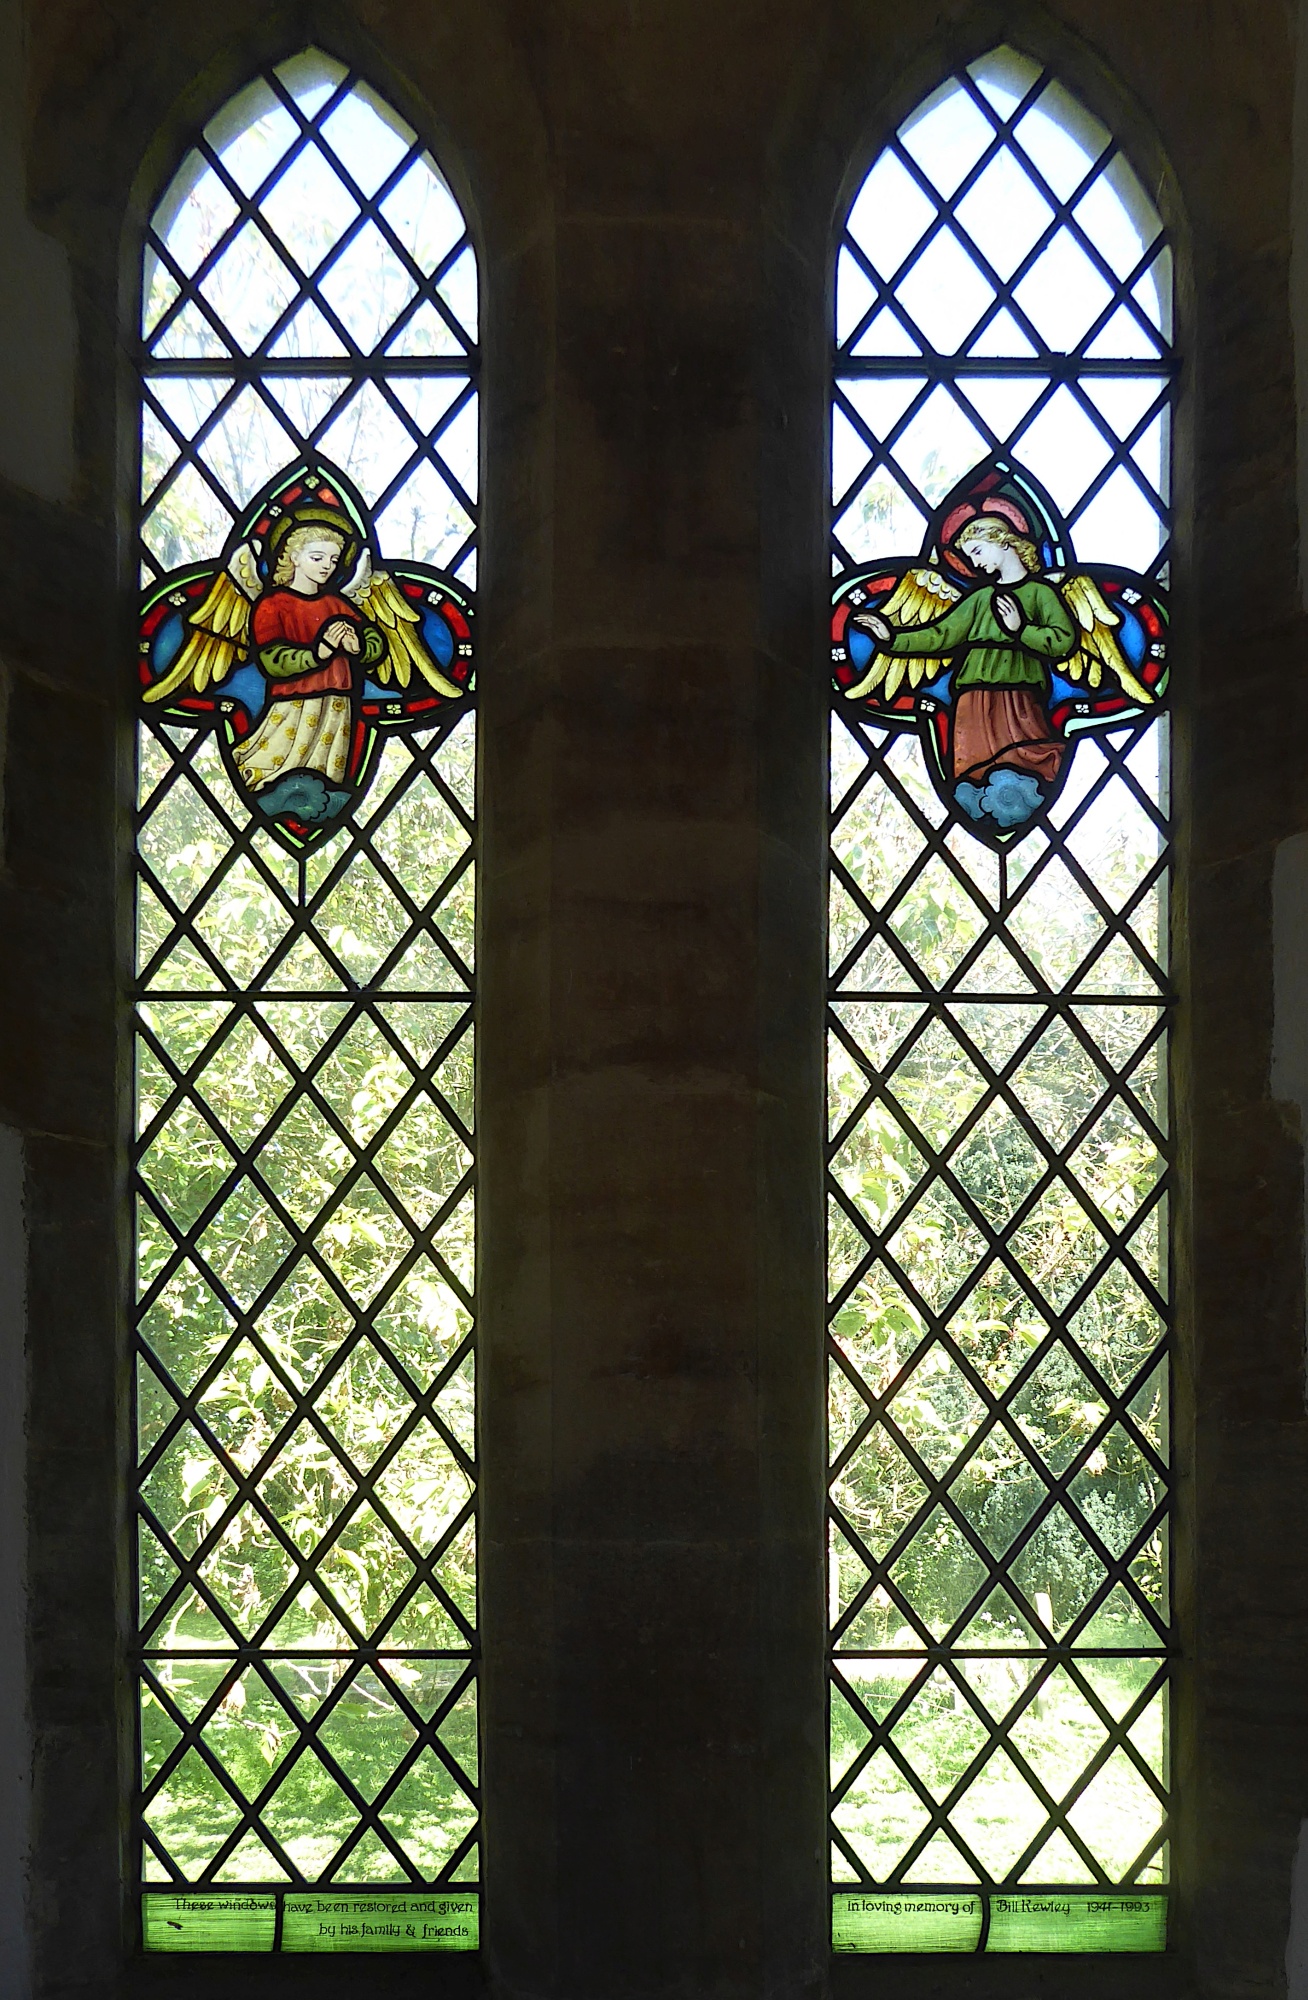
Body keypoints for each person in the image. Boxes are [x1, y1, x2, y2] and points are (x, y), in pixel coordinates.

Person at [853, 514, 1078, 827]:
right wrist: (891, 638)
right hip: (972, 696)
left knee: (1026, 754)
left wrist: (1021, 629)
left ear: (1003, 542)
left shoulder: (1041, 594)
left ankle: (1016, 801)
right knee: (973, 769)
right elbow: (941, 635)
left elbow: (1063, 641)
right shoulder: (980, 598)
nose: (974, 564)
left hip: (1018, 694)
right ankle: (984, 806)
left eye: (977, 551)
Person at [232, 523, 387, 824]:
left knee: (328, 772)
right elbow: (272, 660)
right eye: (317, 558)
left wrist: (358, 647)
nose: (327, 567)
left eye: (333, 561)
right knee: (270, 765)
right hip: (293, 704)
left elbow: (375, 642)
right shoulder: (272, 605)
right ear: (294, 557)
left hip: (338, 703)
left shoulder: (337, 604)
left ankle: (317, 809)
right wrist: (319, 653)